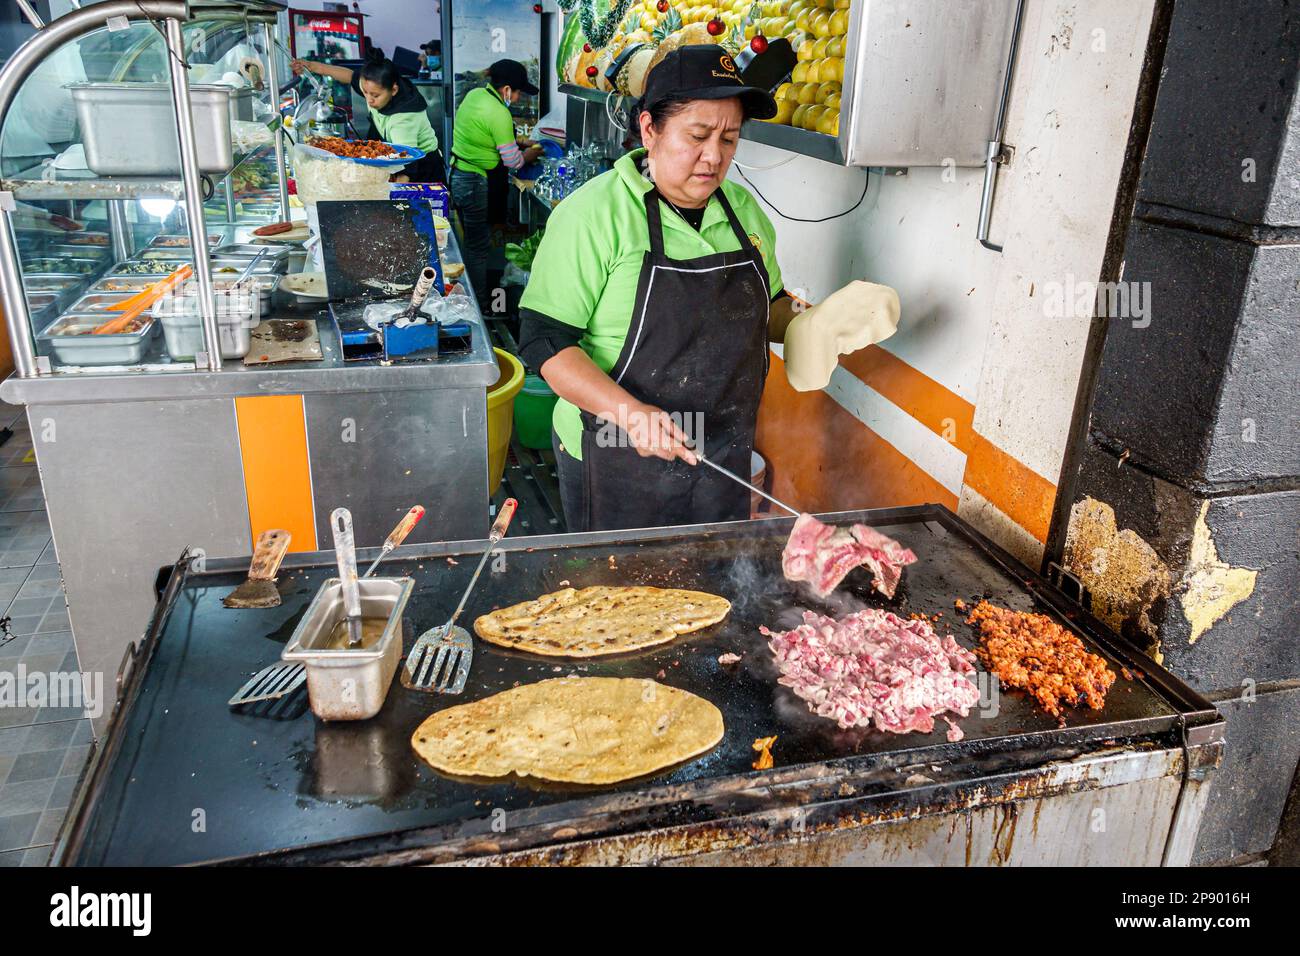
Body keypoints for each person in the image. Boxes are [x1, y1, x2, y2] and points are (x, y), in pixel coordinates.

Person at [517, 45, 900, 533]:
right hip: (614, 448)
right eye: (697, 136)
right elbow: (545, 341)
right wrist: (632, 415)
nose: (714, 156)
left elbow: (769, 306)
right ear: (649, 128)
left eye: (730, 139)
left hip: (722, 449)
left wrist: (816, 320)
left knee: (716, 586)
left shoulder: (744, 212)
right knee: (619, 595)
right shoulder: (593, 216)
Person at [449, 59, 543, 310]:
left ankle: (468, 298)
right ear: (507, 90)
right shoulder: (499, 112)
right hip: (476, 182)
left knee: (468, 241)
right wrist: (530, 153)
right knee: (478, 247)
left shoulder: (475, 95)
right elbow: (512, 162)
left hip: (458, 175)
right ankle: (477, 306)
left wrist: (516, 143)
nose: (519, 96)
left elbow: (482, 136)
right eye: (519, 91)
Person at [291, 49, 443, 183]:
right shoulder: (375, 86)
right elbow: (349, 76)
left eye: (375, 95)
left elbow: (408, 164)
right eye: (365, 92)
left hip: (423, 171)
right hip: (396, 158)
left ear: (394, 90)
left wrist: (396, 191)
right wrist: (312, 66)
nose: (369, 100)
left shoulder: (403, 118)